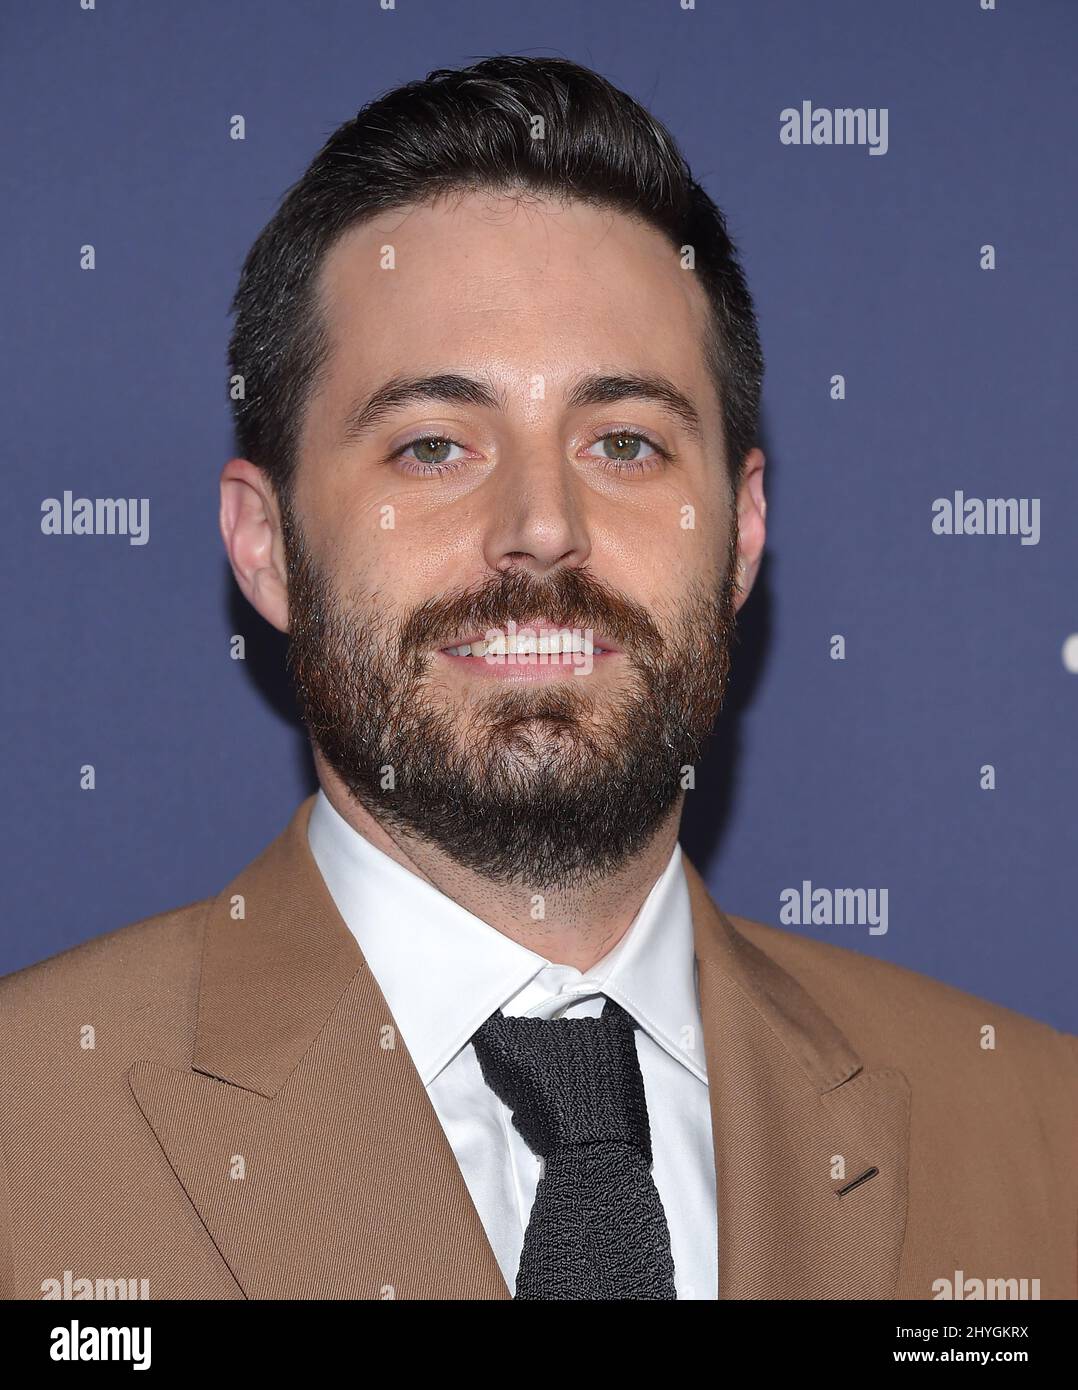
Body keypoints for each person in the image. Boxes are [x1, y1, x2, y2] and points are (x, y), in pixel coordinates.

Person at [1, 56, 1075, 1302]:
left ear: (742, 530)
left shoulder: (1037, 1129)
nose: (541, 524)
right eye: (433, 445)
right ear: (265, 546)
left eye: (623, 441)